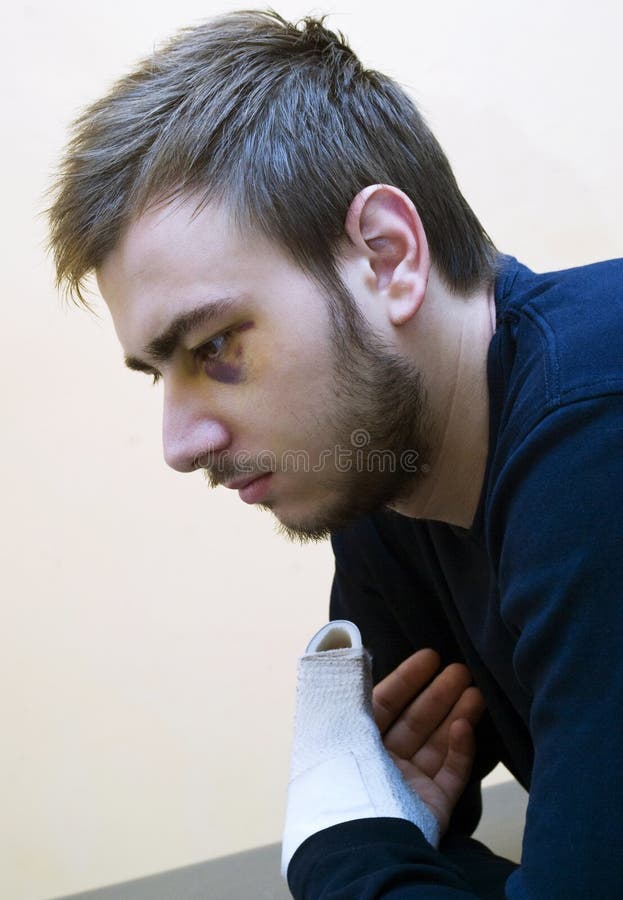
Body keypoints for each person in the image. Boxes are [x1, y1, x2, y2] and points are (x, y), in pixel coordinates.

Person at [46, 9, 623, 898]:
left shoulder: (594, 434)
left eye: (214, 346)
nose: (179, 444)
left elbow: (353, 823)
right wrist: (385, 844)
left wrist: (340, 844)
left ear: (386, 257)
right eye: (158, 373)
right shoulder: (384, 479)